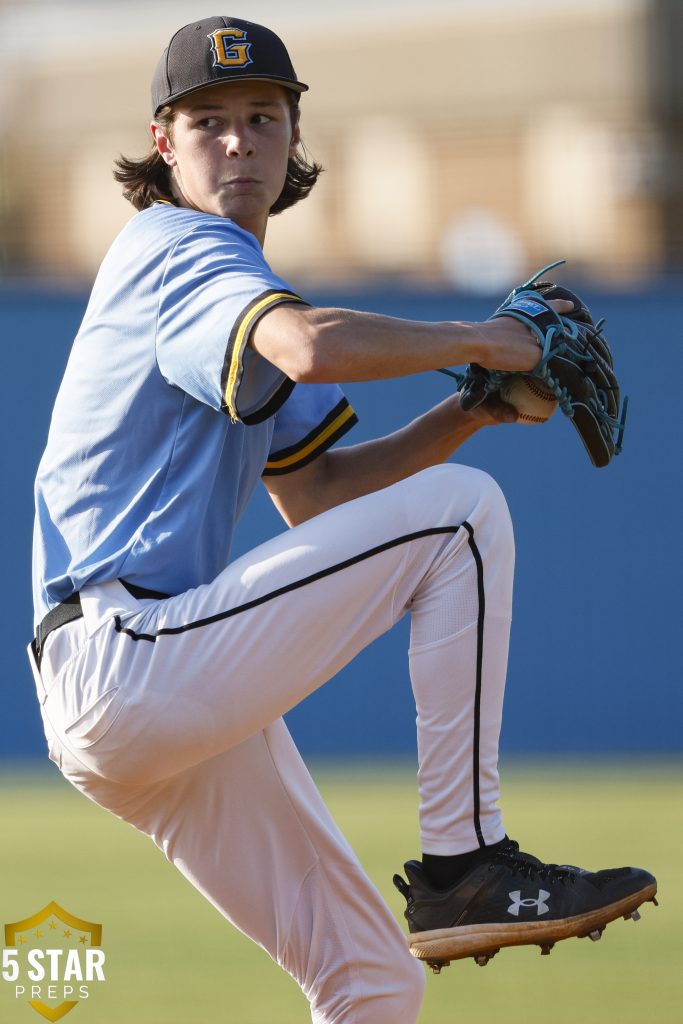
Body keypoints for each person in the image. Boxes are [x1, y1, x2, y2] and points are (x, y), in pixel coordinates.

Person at [29, 16, 656, 1024]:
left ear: (292, 136)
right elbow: (308, 348)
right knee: (462, 520)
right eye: (209, 122)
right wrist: (493, 339)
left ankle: (456, 881)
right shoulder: (174, 246)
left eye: (262, 118)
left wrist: (471, 406)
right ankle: (464, 862)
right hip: (126, 652)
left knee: (370, 976)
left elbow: (317, 494)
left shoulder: (236, 281)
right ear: (163, 143)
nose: (237, 142)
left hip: (151, 692)